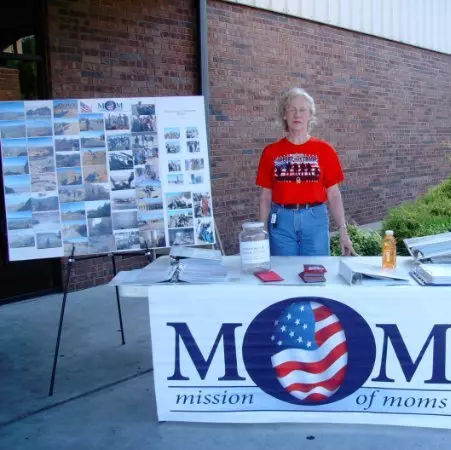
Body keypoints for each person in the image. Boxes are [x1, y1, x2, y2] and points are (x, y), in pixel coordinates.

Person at [256, 87, 355, 256]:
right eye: (292, 109)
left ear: (310, 116)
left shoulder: (325, 150)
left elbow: (334, 194)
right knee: (284, 274)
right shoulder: (271, 152)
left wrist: (343, 230)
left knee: (316, 274)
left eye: (302, 110)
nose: (297, 115)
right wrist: (262, 230)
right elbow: (266, 196)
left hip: (315, 220)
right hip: (281, 222)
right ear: (284, 115)